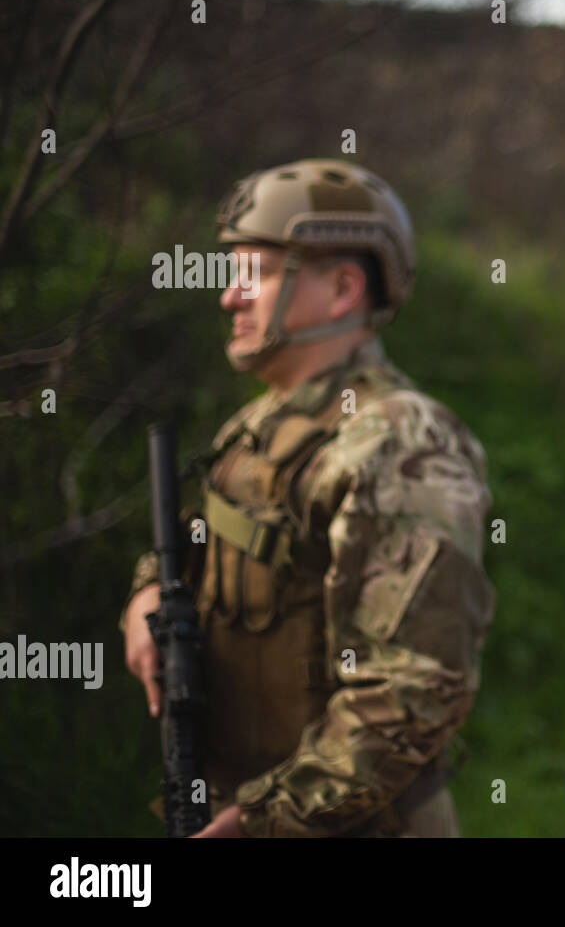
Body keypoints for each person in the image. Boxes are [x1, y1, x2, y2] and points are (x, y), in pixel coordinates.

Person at [120, 159, 494, 837]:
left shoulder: (402, 444)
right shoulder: (263, 424)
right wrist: (151, 587)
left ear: (343, 289)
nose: (230, 297)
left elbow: (410, 695)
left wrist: (259, 821)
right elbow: (201, 537)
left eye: (255, 274)